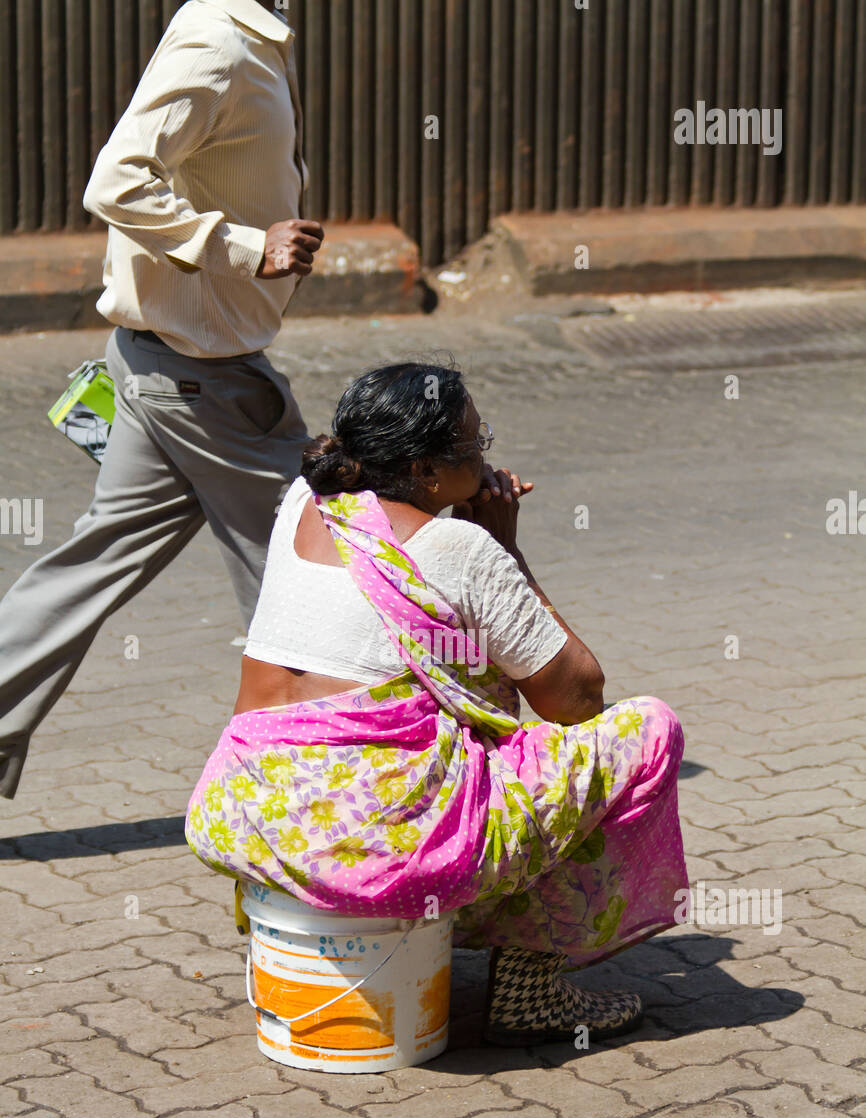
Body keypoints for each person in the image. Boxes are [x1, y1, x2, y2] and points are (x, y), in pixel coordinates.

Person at [185, 362, 689, 1046]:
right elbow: (576, 698)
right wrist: (508, 552)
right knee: (646, 730)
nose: (486, 459)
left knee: (455, 714)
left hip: (248, 817)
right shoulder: (457, 547)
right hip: (373, 852)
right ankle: (530, 994)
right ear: (425, 472)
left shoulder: (301, 503)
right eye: (475, 444)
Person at [0, 0, 324, 799]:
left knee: (90, 564)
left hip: (158, 368)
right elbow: (117, 180)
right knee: (312, 572)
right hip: (203, 383)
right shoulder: (218, 42)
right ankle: (333, 789)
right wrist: (246, 248)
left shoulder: (249, 36)